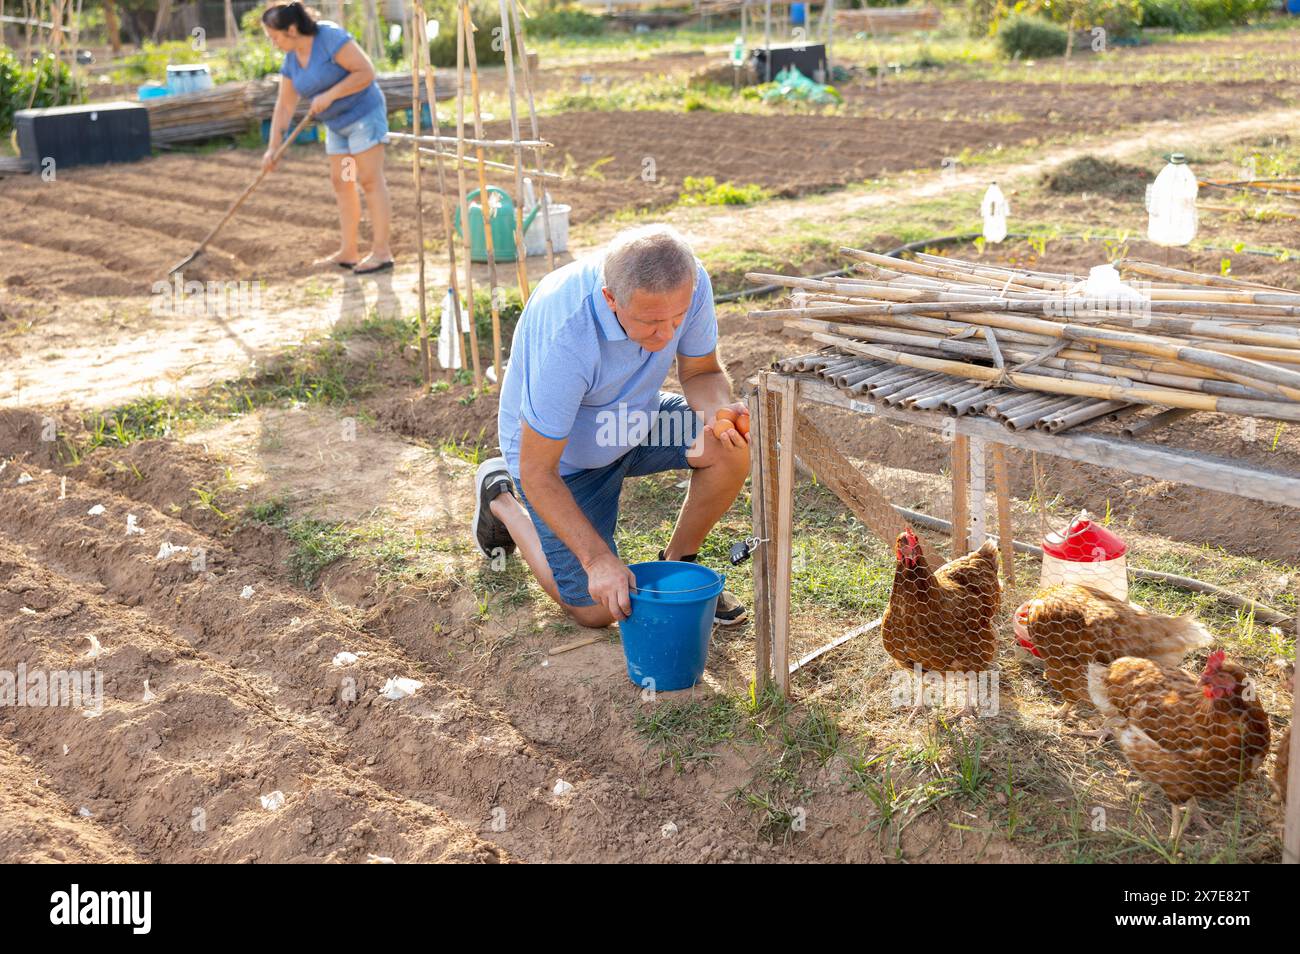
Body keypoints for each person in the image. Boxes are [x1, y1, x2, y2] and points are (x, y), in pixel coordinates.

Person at [472, 225, 751, 628]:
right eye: (653, 323)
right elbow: (538, 470)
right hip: (558, 459)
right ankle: (503, 501)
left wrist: (719, 410)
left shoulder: (687, 281)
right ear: (610, 299)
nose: (669, 333)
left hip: (634, 421)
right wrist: (599, 559)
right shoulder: (567, 336)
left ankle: (676, 572)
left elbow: (701, 371)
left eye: (679, 318)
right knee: (598, 610)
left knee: (730, 447)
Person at [261, 2, 394, 274]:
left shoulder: (329, 38)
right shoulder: (292, 60)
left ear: (292, 29)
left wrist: (330, 95)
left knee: (369, 180)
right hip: (338, 127)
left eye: (274, 37)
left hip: (363, 118)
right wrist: (272, 147)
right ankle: (349, 251)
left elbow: (366, 72)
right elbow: (284, 106)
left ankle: (382, 253)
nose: (273, 44)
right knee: (343, 182)